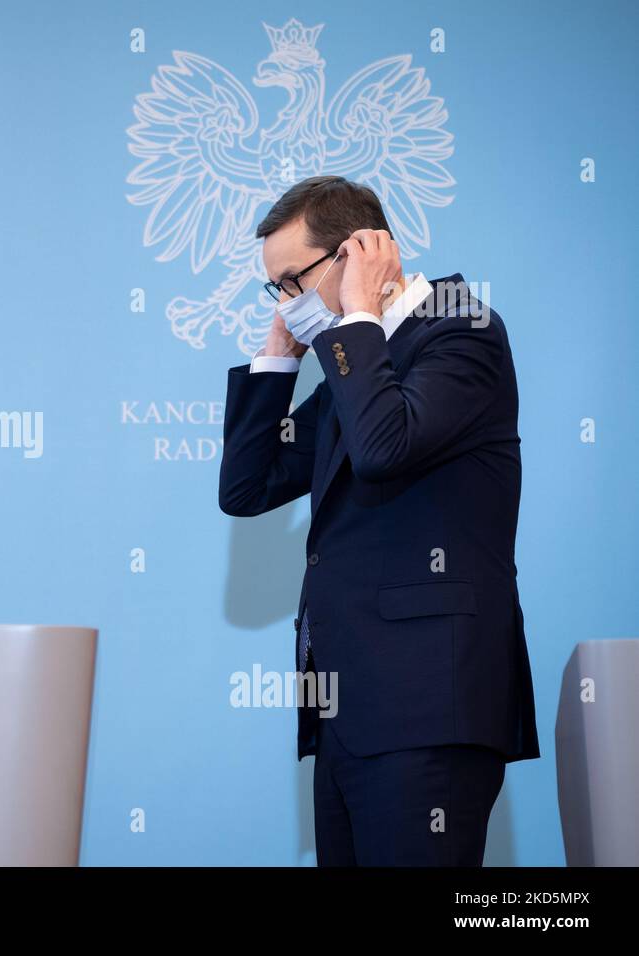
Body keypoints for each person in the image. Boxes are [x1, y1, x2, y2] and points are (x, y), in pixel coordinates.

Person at [219, 176, 538, 865]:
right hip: (348, 717)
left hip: (429, 707)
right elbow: (248, 486)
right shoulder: (353, 363)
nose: (290, 301)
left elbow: (383, 448)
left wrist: (356, 321)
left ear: (358, 252)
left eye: (292, 282)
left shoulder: (461, 331)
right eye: (276, 290)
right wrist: (280, 354)